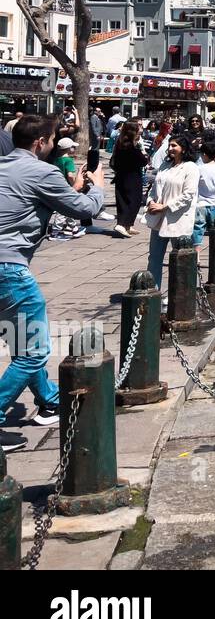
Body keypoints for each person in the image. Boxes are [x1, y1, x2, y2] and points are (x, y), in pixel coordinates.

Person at [0, 115, 105, 453]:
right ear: (40, 143)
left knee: (20, 341)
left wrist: (67, 189)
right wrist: (98, 186)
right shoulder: (41, 171)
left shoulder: (4, 166)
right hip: (9, 270)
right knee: (33, 352)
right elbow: (84, 209)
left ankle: (48, 400)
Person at [145, 134, 200, 292]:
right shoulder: (165, 166)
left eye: (174, 145)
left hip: (178, 219)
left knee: (180, 258)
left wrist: (166, 206)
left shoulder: (191, 167)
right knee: (154, 258)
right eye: (169, 145)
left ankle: (183, 294)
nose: (170, 149)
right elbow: (155, 188)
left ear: (183, 148)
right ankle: (153, 292)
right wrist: (151, 202)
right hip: (159, 219)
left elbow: (188, 194)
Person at [110, 120, 148, 237]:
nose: (141, 129)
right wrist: (145, 156)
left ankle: (127, 225)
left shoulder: (121, 142)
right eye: (139, 127)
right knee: (133, 200)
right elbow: (142, 160)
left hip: (122, 176)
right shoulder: (129, 146)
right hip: (131, 177)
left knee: (124, 199)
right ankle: (122, 224)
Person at [46, 138, 86, 240]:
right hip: (67, 187)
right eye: (73, 147)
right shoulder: (69, 161)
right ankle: (55, 232)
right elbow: (70, 175)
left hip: (57, 185)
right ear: (68, 149)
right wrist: (75, 185)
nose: (74, 149)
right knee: (62, 210)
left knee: (68, 207)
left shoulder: (56, 160)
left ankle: (74, 228)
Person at [191, 140, 215, 246]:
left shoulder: (199, 169)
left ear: (204, 155)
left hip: (200, 203)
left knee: (197, 230)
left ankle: (197, 255)